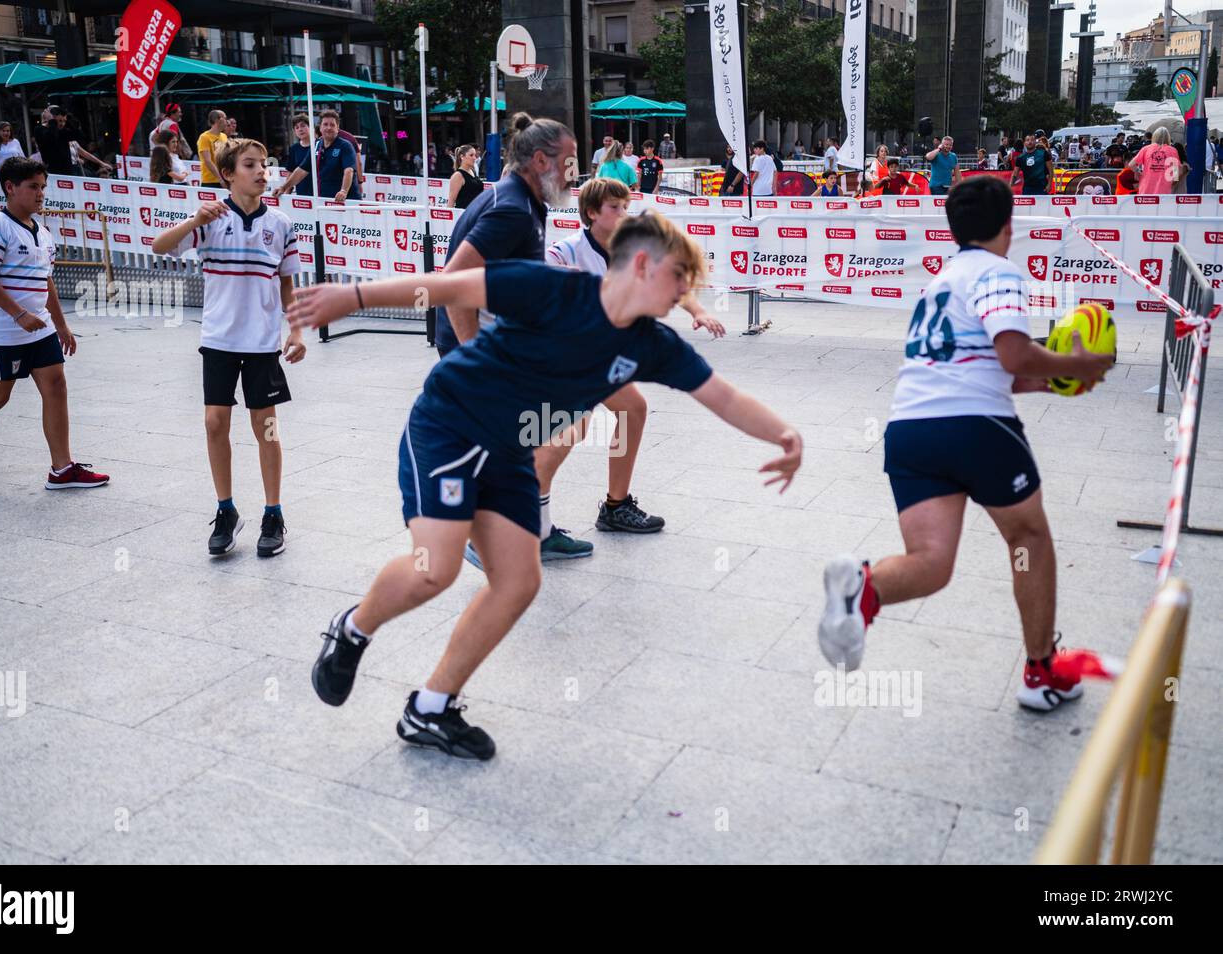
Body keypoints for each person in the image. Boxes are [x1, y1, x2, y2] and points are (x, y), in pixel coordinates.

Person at [288, 210, 803, 760]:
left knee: (518, 581)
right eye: (681, 276)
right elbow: (448, 285)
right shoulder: (553, 288)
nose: (686, 291)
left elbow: (721, 395)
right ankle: (353, 628)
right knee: (433, 569)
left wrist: (784, 435)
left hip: (509, 452)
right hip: (449, 426)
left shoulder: (652, 344)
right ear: (645, 265)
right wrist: (354, 297)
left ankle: (430, 708)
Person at [816, 175, 1117, 712]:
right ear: (1008, 227)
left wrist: (1059, 379)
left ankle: (863, 589)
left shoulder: (941, 281)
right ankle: (1042, 669)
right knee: (1029, 538)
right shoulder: (999, 272)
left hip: (911, 430)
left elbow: (997, 369)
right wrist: (1077, 364)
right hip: (975, 427)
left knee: (931, 562)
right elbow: (1014, 356)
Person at [431, 112, 592, 559]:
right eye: (570, 161)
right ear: (541, 160)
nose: (575, 172)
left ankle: (530, 529)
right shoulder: (512, 209)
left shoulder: (522, 201)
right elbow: (455, 279)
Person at [537, 178, 725, 555]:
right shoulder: (569, 248)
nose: (624, 214)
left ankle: (616, 506)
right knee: (568, 428)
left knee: (632, 408)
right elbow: (540, 272)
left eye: (626, 207)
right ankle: (528, 520)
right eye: (615, 208)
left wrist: (699, 311)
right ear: (591, 213)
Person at [151, 139, 306, 557]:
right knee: (215, 423)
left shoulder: (282, 224)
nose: (262, 172)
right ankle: (226, 510)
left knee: (266, 428)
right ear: (228, 174)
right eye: (250, 165)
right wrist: (192, 221)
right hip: (218, 341)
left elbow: (288, 282)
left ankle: (273, 513)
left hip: (261, 345)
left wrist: (296, 331)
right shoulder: (210, 218)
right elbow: (158, 247)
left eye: (265, 164)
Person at [0, 157, 107, 492]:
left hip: (39, 329)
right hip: (2, 331)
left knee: (56, 386)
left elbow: (46, 282)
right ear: (10, 188)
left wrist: (61, 325)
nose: (41, 193)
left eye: (43, 186)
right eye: (33, 187)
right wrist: (17, 314)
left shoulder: (42, 233)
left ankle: (62, 468)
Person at [272, 114, 315, 197]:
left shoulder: (319, 145)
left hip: (321, 193)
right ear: (294, 132)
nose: (300, 129)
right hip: (302, 193)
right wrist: (286, 193)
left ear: (310, 127)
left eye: (303, 126)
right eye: (297, 127)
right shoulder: (294, 148)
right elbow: (290, 172)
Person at [1130, 128, 1179, 196]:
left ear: (1154, 137)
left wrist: (1138, 173)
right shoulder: (1173, 151)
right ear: (1168, 138)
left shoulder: (1146, 149)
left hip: (1145, 190)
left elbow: (1131, 165)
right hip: (1164, 192)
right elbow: (1175, 176)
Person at [448, 143, 485, 208]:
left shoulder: (473, 171)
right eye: (471, 155)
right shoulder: (458, 176)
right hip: (465, 214)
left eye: (475, 155)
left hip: (476, 212)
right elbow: (451, 201)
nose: (474, 158)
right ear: (462, 157)